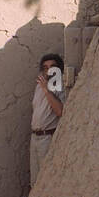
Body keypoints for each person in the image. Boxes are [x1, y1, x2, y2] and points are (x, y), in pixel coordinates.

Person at [29, 52, 65, 188]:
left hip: (47, 138)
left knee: (46, 181)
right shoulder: (39, 86)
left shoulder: (58, 86)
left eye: (52, 67)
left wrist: (46, 89)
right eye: (45, 67)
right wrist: (43, 87)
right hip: (35, 138)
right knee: (35, 182)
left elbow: (60, 111)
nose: (49, 70)